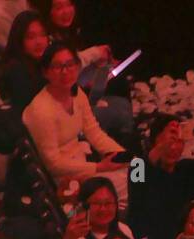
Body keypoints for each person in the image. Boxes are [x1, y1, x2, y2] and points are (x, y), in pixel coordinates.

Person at [22, 42, 125, 188]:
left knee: (131, 171)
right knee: (121, 185)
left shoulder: (76, 94)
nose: (65, 71)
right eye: (58, 67)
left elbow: (94, 132)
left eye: (70, 64)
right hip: (62, 178)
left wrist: (120, 155)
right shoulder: (41, 110)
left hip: (81, 163)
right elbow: (53, 164)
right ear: (45, 72)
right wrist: (98, 167)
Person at [128, 115, 194, 239]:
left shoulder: (183, 170)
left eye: (179, 141)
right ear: (155, 141)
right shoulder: (138, 165)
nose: (173, 147)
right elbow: (139, 176)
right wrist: (160, 148)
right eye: (169, 140)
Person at [0, 11, 49, 109]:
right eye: (31, 37)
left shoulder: (44, 62)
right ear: (19, 40)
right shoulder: (16, 69)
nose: (39, 42)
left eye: (43, 34)